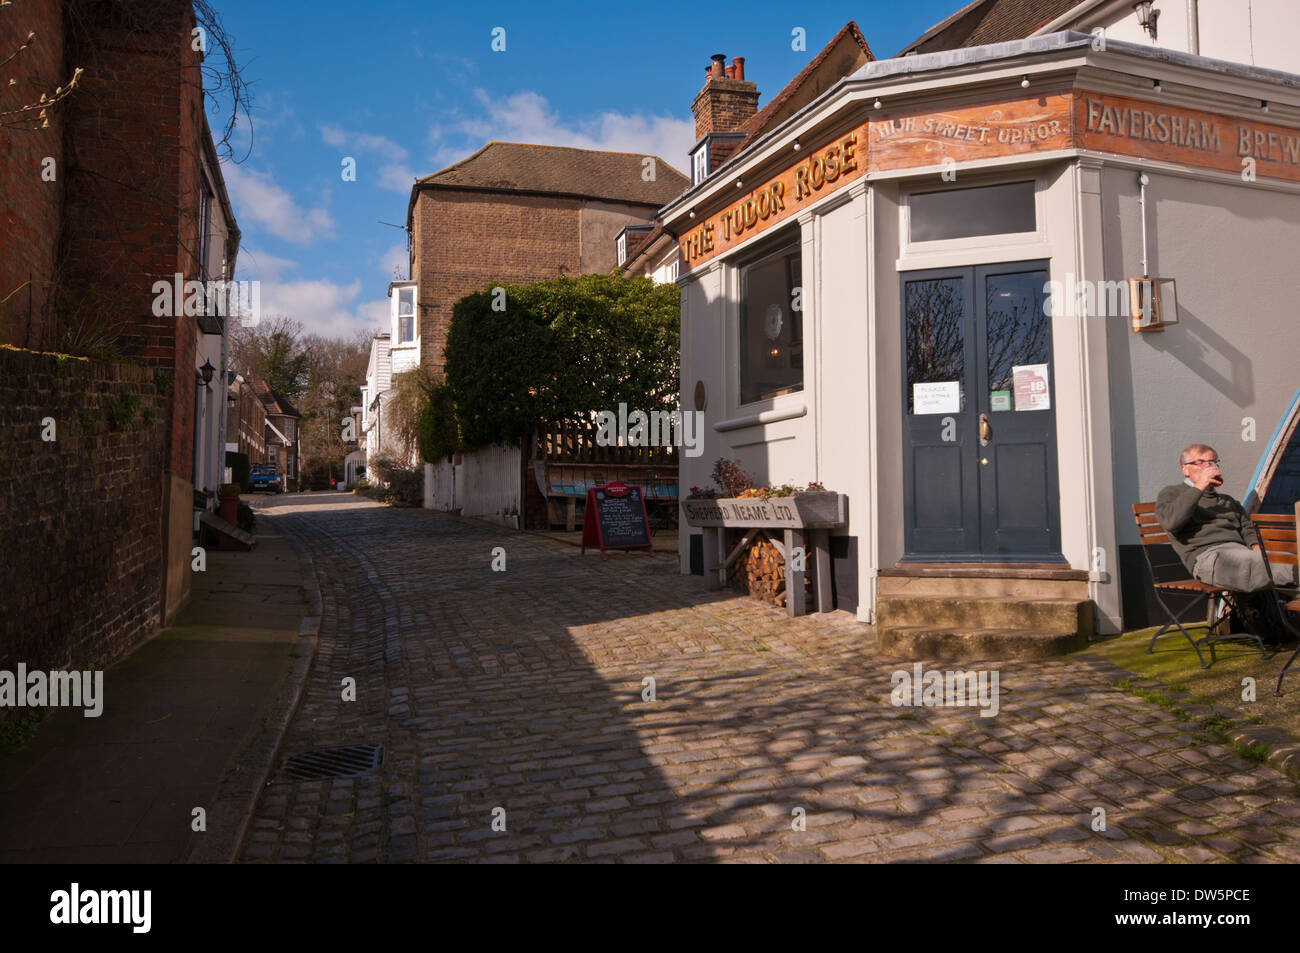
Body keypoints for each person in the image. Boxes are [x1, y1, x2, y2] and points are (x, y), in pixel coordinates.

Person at [1156, 443, 1292, 592]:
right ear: (1185, 469)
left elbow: (1246, 527)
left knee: (1285, 558)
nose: (1208, 467)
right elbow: (1171, 522)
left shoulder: (1227, 500)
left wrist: (1256, 547)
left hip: (1242, 552)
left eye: (1212, 462)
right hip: (1208, 557)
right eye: (1200, 463)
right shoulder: (1172, 493)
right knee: (1272, 565)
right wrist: (1200, 486)